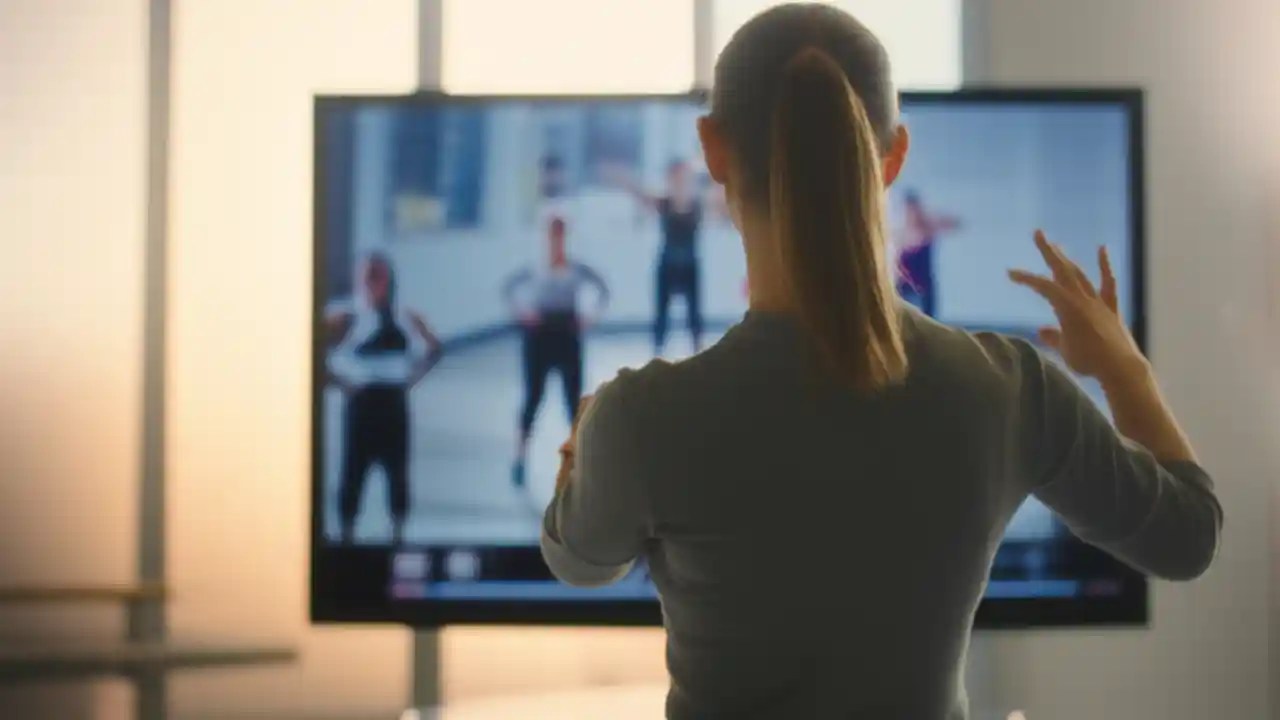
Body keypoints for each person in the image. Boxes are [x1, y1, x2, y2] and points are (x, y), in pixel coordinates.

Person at [539, 5, 1222, 720]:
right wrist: (1124, 369)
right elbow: (1187, 537)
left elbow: (582, 561)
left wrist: (585, 450)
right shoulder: (1011, 390)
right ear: (893, 157)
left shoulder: (641, 417)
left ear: (713, 150)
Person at [326, 252, 444, 545]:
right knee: (353, 470)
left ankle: (397, 533)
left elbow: (434, 347)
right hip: (361, 400)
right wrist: (340, 382)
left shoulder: (405, 315)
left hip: (393, 401)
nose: (373, 284)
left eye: (378, 277)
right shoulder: (346, 316)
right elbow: (315, 351)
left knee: (397, 471)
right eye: (368, 277)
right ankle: (347, 533)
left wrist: (414, 377)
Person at [503, 216, 609, 490]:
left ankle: (577, 460)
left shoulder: (575, 268)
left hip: (567, 333)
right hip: (540, 335)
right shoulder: (536, 268)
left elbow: (602, 289)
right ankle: (520, 458)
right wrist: (522, 314)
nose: (556, 240)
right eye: (552, 235)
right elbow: (508, 289)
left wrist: (591, 317)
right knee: (532, 398)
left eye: (560, 235)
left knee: (572, 401)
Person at [614, 160, 719, 354]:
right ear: (670, 179)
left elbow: (718, 198)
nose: (679, 181)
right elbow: (641, 194)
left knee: (694, 316)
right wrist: (623, 179)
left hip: (690, 265)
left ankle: (698, 352)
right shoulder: (664, 202)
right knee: (661, 317)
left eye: (683, 176)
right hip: (667, 265)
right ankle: (658, 353)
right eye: (676, 176)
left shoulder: (697, 203)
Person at [895, 189, 961, 317]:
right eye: (910, 209)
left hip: (924, 282)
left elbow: (954, 223)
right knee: (899, 313)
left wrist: (932, 219)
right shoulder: (901, 232)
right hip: (905, 282)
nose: (913, 213)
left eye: (915, 208)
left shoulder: (927, 228)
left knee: (929, 316)